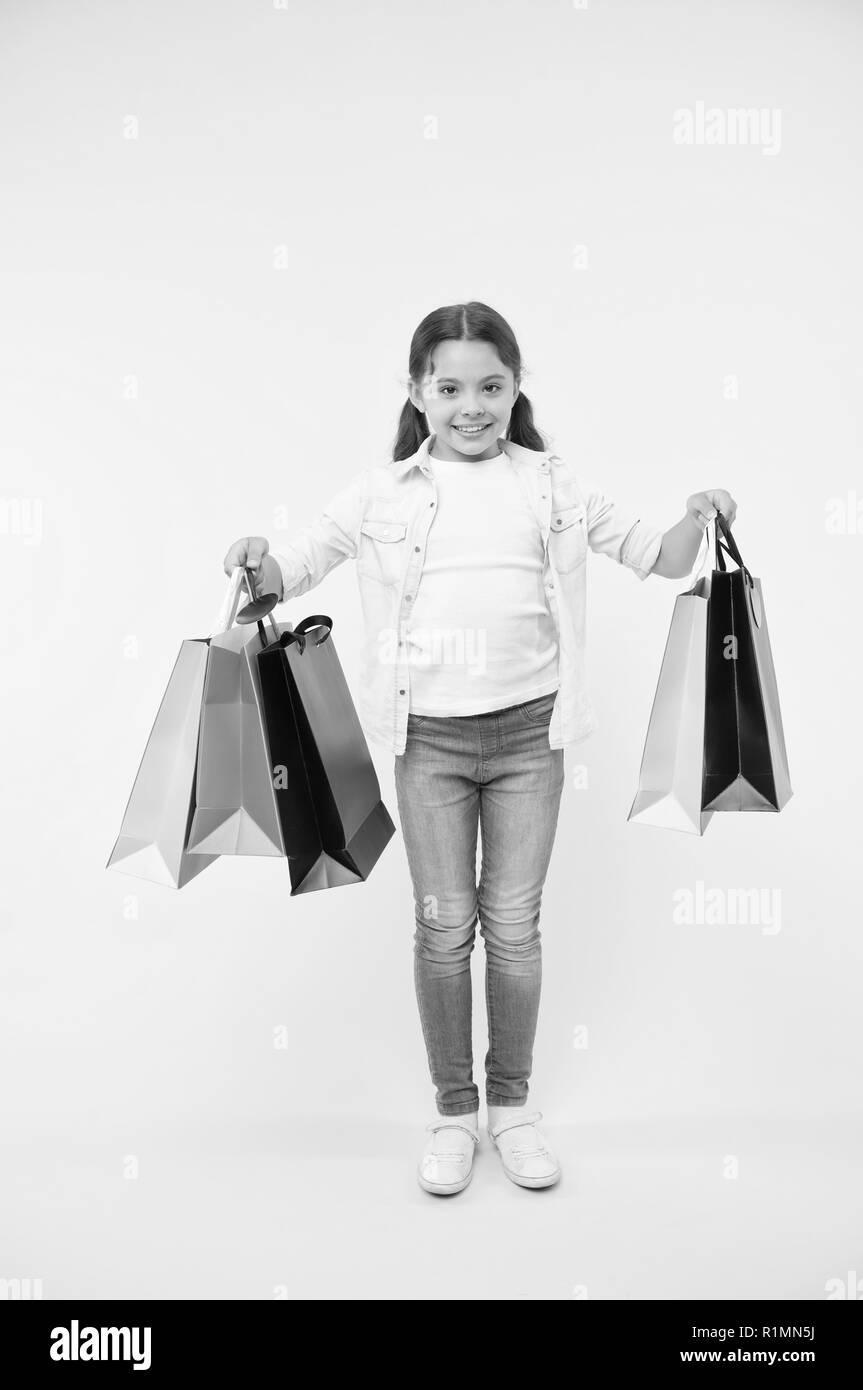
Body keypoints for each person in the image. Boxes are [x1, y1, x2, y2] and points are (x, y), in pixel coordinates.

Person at [223, 301, 736, 1197]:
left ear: (515, 387)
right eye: (450, 386)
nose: (472, 406)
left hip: (529, 739)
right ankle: (454, 1113)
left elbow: (660, 557)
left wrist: (700, 513)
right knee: (441, 927)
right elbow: (294, 567)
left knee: (513, 927)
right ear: (417, 393)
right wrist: (256, 561)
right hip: (427, 742)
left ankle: (513, 1109)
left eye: (490, 386)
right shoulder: (381, 493)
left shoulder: (554, 484)